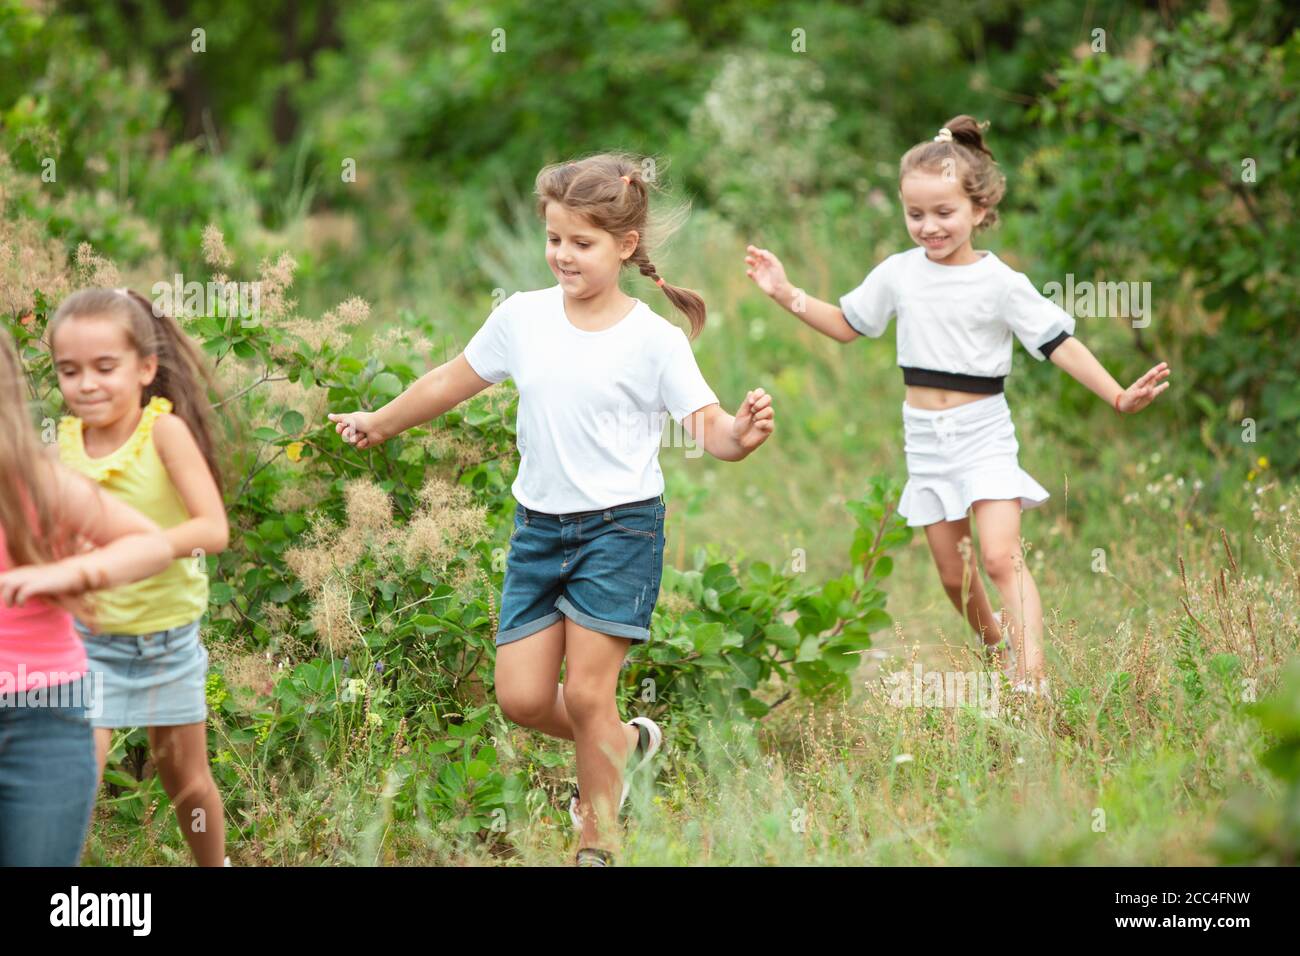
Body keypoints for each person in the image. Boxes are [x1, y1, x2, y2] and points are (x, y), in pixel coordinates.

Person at [330, 153, 775, 864]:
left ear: (626, 247)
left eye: (582, 242)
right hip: (538, 530)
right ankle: (627, 747)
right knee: (523, 698)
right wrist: (381, 420)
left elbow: (712, 430)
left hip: (620, 529)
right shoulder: (523, 318)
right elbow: (452, 379)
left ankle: (596, 848)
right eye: (554, 238)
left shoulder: (653, 341)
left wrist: (740, 437)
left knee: (591, 694)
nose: (562, 255)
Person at [745, 115, 1169, 697]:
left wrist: (1118, 394)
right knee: (954, 575)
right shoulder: (898, 274)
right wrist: (784, 292)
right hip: (925, 438)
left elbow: (1058, 344)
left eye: (943, 213)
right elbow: (847, 325)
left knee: (999, 558)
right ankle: (997, 653)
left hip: (983, 432)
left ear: (979, 208)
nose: (929, 226)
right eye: (914, 214)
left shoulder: (1001, 283)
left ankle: (1031, 680)